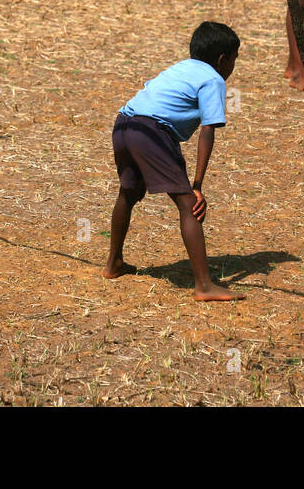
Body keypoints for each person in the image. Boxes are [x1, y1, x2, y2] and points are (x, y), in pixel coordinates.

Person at [103, 21, 244, 300]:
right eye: (235, 60)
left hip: (124, 124)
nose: (233, 67)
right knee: (190, 205)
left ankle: (113, 264)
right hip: (152, 133)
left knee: (128, 193)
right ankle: (204, 285)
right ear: (222, 59)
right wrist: (198, 184)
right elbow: (208, 130)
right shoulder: (213, 79)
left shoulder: (181, 67)